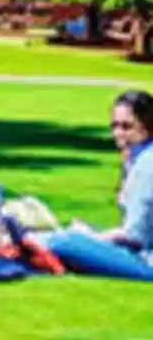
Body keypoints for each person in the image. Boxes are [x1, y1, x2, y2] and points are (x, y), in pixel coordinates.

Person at [27, 90, 153, 281]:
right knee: (73, 236)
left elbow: (134, 235)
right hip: (141, 252)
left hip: (146, 261)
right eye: (114, 126)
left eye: (127, 127)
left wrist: (91, 239)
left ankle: (24, 241)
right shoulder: (137, 159)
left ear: (148, 126)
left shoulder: (147, 165)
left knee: (66, 241)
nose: (118, 133)